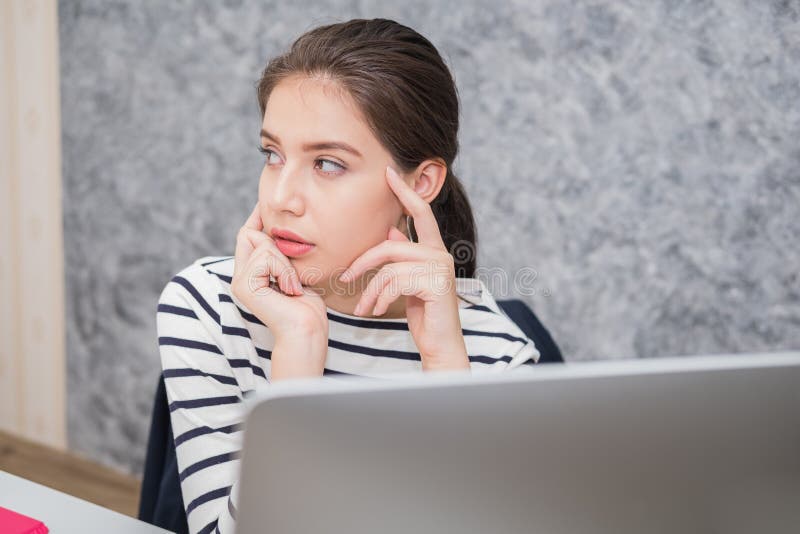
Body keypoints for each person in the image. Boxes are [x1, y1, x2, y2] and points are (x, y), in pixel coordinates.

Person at [157, 18, 541, 534]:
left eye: (328, 164)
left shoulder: (495, 355)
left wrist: (445, 367)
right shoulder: (209, 305)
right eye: (273, 155)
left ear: (420, 183)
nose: (280, 200)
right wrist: (297, 353)